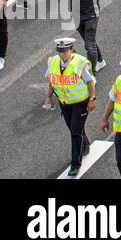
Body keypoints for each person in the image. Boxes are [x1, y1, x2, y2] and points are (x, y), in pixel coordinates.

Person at [44, 37, 96, 177]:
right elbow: (51, 81)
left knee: (74, 132)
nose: (62, 54)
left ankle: (75, 164)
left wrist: (92, 99)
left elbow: (91, 82)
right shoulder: (52, 61)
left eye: (65, 51)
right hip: (64, 102)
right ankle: (84, 144)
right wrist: (48, 97)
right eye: (60, 51)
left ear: (71, 49)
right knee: (73, 128)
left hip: (81, 102)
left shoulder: (80, 62)